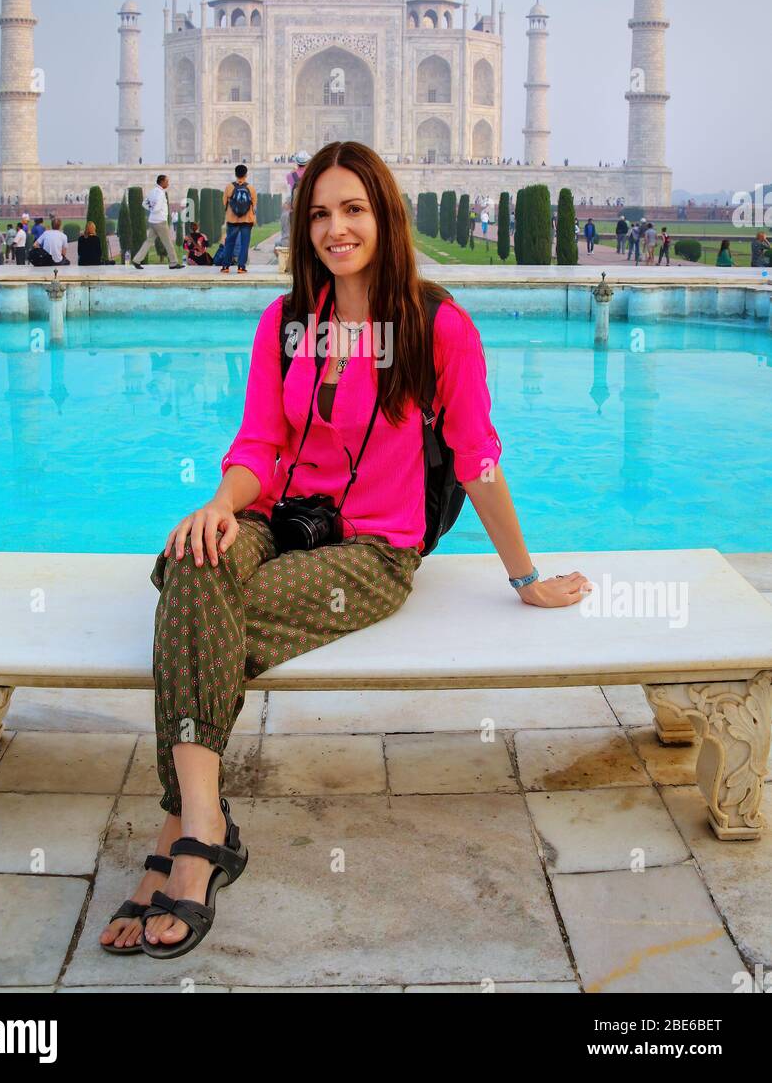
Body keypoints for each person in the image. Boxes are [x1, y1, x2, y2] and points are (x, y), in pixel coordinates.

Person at [99, 139, 592, 959]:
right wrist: (222, 504)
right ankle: (206, 825)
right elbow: (259, 442)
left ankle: (181, 832)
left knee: (197, 614)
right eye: (320, 213)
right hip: (281, 520)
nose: (336, 228)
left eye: (353, 209)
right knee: (194, 558)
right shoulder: (289, 322)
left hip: (372, 551)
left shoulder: (439, 327)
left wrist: (526, 576)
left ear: (385, 215)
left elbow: (478, 461)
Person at [132, 175, 183, 270]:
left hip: (153, 221)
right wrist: (154, 209)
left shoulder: (153, 191)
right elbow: (157, 208)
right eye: (167, 181)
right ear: (162, 182)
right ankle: (173, 263)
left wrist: (151, 208)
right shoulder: (160, 193)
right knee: (168, 243)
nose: (168, 183)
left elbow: (144, 203)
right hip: (160, 222)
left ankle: (136, 260)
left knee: (148, 241)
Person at [220, 163, 257, 275]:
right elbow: (254, 204)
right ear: (246, 174)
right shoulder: (250, 188)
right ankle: (241, 267)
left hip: (232, 220)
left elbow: (224, 202)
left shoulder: (229, 187)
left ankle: (226, 266)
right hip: (247, 220)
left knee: (229, 243)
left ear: (235, 174)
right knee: (244, 244)